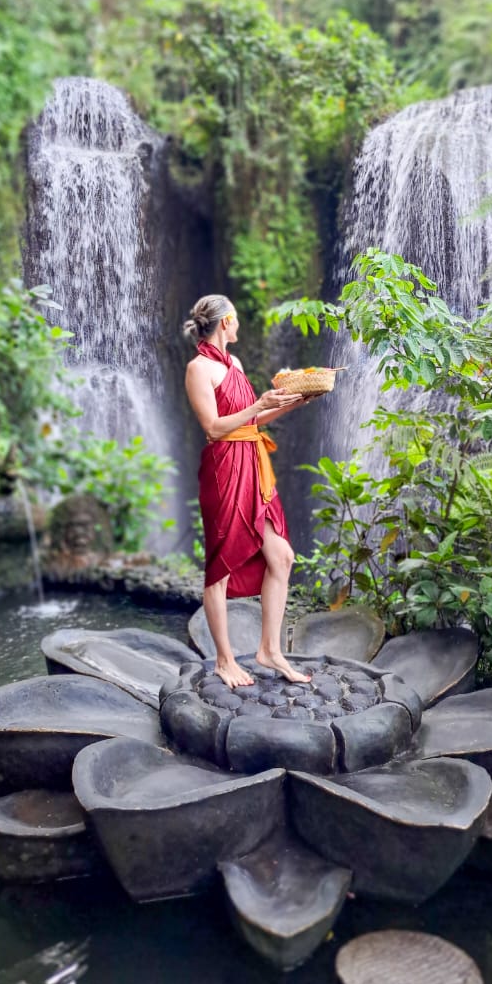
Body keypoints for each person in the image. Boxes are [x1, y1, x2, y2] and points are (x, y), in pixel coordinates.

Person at [184, 293, 314, 688]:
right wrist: (259, 404)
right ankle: (224, 660)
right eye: (236, 318)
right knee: (220, 568)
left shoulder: (235, 364)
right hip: (224, 471)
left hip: (253, 465)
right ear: (225, 322)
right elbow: (214, 428)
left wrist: (293, 402)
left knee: (282, 556)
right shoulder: (198, 369)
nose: (238, 324)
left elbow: (252, 421)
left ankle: (269, 650)